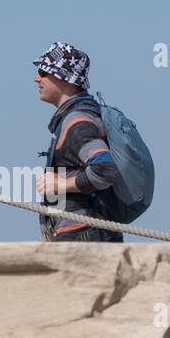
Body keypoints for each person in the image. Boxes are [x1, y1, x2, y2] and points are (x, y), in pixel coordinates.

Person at [32, 42, 123, 242]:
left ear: (65, 79)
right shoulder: (76, 118)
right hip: (86, 232)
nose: (36, 78)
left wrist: (61, 184)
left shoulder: (78, 123)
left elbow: (105, 171)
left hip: (82, 234)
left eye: (43, 72)